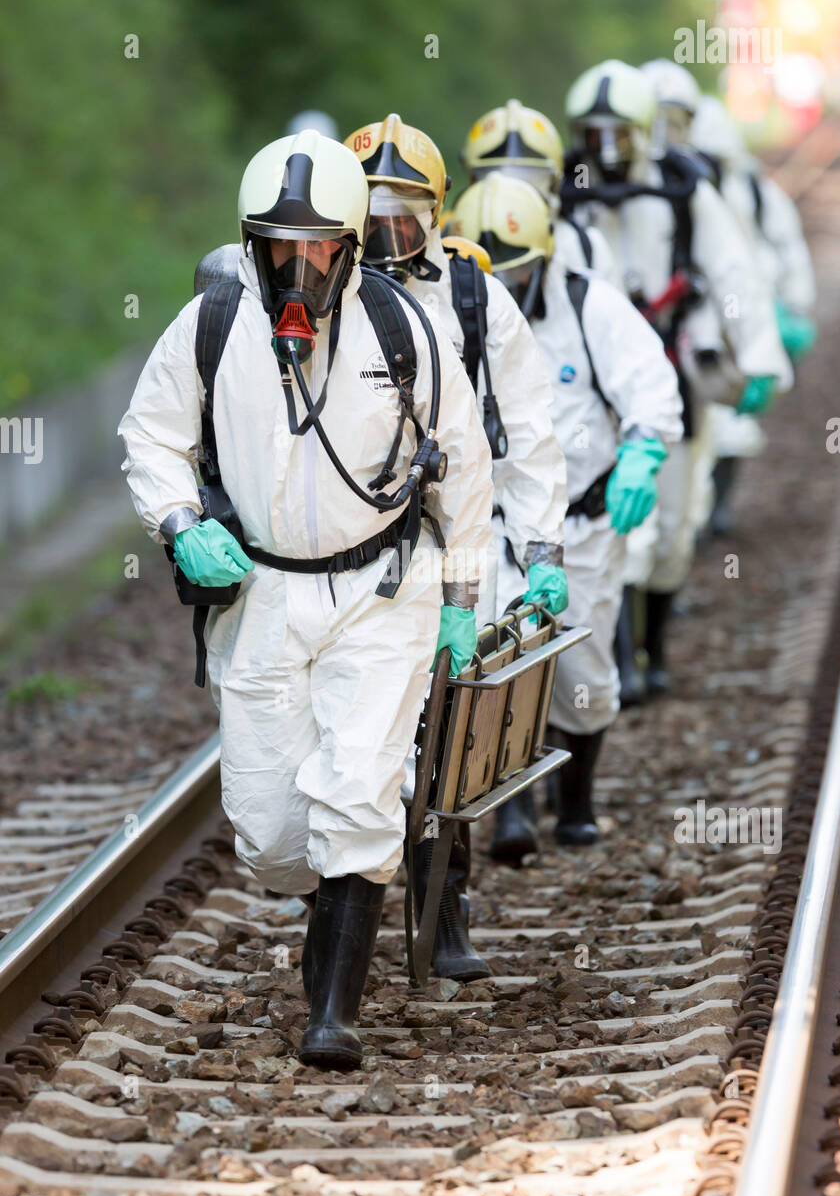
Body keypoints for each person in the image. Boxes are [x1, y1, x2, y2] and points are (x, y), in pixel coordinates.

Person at [118, 130, 493, 1070]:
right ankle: (325, 903)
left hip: (382, 592)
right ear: (252, 245)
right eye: (278, 245)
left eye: (319, 245)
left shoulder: (408, 330)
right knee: (274, 837)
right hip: (262, 600)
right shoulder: (210, 325)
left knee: (358, 794)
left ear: (352, 244)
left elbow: (467, 469)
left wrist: (461, 600)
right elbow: (150, 434)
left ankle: (333, 1018)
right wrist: (176, 521)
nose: (299, 265)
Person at [346, 112, 568, 958]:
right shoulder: (319, 291)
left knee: (451, 734)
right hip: (350, 546)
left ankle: (445, 910)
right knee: (365, 737)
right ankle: (344, 916)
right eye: (371, 207)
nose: (386, 227)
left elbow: (530, 428)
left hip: (457, 542)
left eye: (405, 208)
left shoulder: (475, 297)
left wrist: (542, 553)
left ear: (438, 212)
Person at [449, 174, 683, 857]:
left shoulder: (590, 306)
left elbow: (651, 384)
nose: (508, 287)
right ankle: (510, 809)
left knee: (581, 675)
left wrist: (642, 453)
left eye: (519, 272)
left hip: (581, 522)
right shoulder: (449, 312)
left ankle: (575, 799)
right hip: (488, 526)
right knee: (495, 662)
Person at [562, 61, 789, 695]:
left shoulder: (682, 190)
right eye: (593, 133)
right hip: (590, 377)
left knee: (670, 526)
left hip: (671, 364)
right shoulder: (566, 191)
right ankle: (622, 663)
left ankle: (653, 643)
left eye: (620, 135)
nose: (607, 150)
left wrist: (759, 355)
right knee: (607, 521)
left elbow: (732, 270)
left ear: (644, 132)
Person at [690, 95, 816, 533]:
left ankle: (715, 509)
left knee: (733, 424)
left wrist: (793, 310)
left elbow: (786, 249)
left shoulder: (756, 193)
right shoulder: (673, 197)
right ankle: (694, 515)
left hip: (742, 315)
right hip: (698, 321)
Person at [460, 97, 623, 285]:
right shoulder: (451, 241)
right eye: (493, 176)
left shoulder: (586, 248)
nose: (511, 197)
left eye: (529, 179)